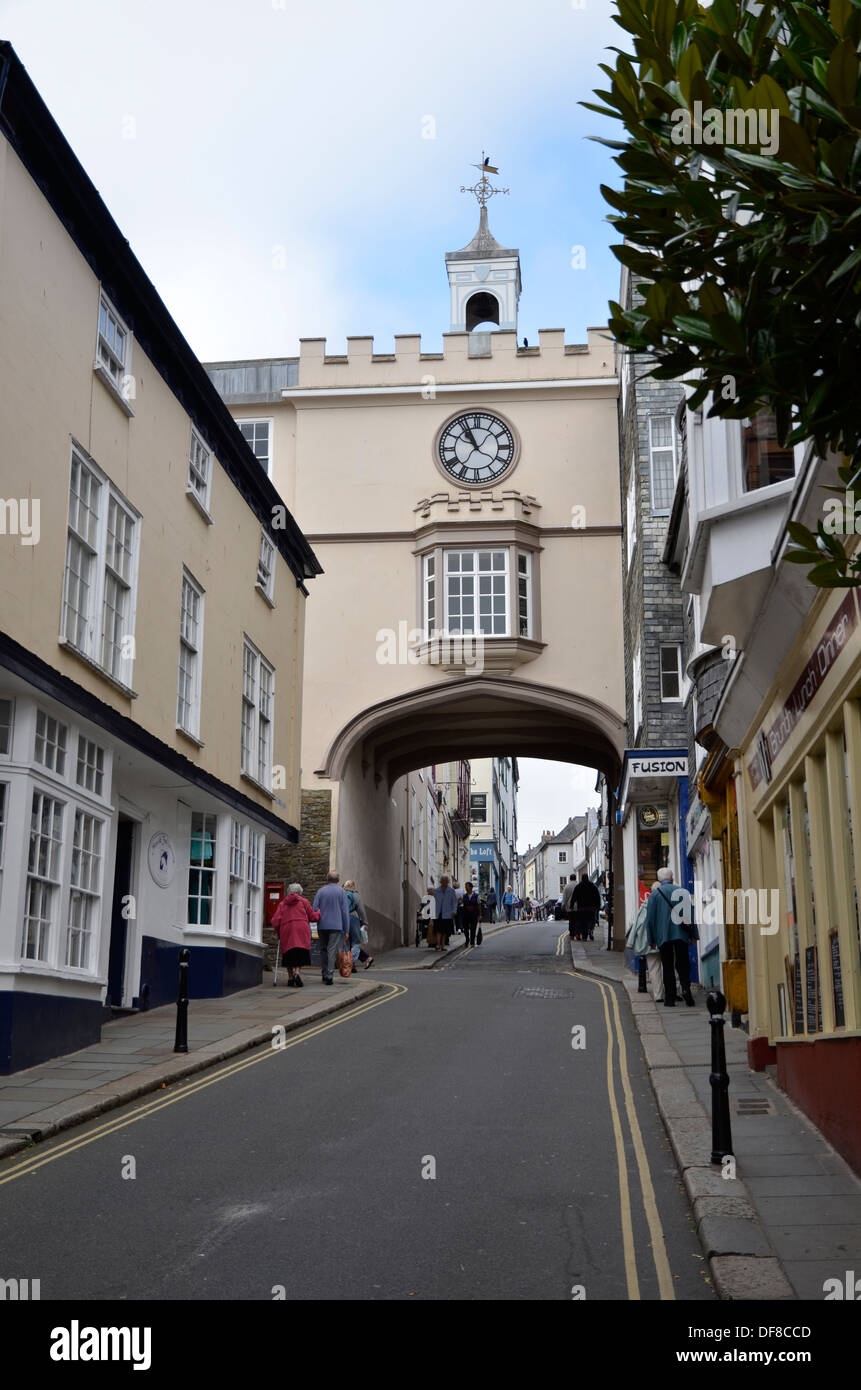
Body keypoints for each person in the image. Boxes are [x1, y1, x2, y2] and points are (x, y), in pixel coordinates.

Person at [645, 867, 699, 1007]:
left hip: (663, 936)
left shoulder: (655, 895)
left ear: (659, 880)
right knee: (683, 964)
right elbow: (690, 916)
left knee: (667, 966)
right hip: (681, 934)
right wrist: (693, 935)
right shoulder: (682, 892)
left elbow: (649, 920)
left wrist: (651, 940)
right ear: (672, 878)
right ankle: (686, 990)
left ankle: (669, 998)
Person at [272, 883, 319, 987]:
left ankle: (290, 978)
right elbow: (313, 917)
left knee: (288, 953)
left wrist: (278, 931)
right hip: (301, 929)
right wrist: (319, 913)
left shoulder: (282, 904)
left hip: (287, 930)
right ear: (300, 892)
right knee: (300, 951)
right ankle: (297, 973)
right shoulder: (304, 901)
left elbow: (275, 921)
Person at [313, 870, 351, 985]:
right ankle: (329, 975)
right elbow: (345, 912)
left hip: (322, 925)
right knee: (331, 950)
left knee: (323, 949)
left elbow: (314, 908)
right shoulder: (341, 892)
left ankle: (324, 974)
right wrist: (346, 930)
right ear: (338, 880)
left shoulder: (320, 891)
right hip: (336, 926)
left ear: (327, 879)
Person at [344, 878, 374, 970]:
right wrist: (365, 922)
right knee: (356, 942)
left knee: (347, 942)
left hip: (343, 920)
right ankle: (351, 962)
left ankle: (349, 963)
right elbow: (361, 911)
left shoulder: (341, 894)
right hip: (353, 919)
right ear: (353, 886)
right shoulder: (356, 895)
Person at [570, 872, 602, 941]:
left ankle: (584, 936)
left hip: (581, 908)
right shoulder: (593, 886)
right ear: (588, 878)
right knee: (591, 920)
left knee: (583, 922)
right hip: (591, 908)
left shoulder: (578, 886)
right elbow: (597, 897)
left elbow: (574, 897)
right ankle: (590, 930)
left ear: (582, 878)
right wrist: (598, 906)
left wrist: (571, 906)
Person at [432, 875, 459, 949]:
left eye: (445, 882)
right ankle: (438, 944)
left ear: (447, 882)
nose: (444, 883)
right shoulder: (436, 891)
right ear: (440, 882)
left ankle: (443, 944)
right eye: (442, 881)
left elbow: (454, 902)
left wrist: (454, 911)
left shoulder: (451, 891)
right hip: (438, 913)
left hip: (447, 913)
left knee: (445, 931)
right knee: (438, 929)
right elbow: (433, 902)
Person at [461, 881, 481, 946]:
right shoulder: (464, 896)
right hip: (465, 915)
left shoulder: (476, 896)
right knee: (465, 929)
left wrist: (480, 915)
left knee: (473, 929)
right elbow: (462, 904)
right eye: (465, 886)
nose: (466, 888)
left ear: (471, 887)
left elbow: (479, 905)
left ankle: (472, 942)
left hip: (474, 915)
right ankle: (467, 939)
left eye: (467, 886)